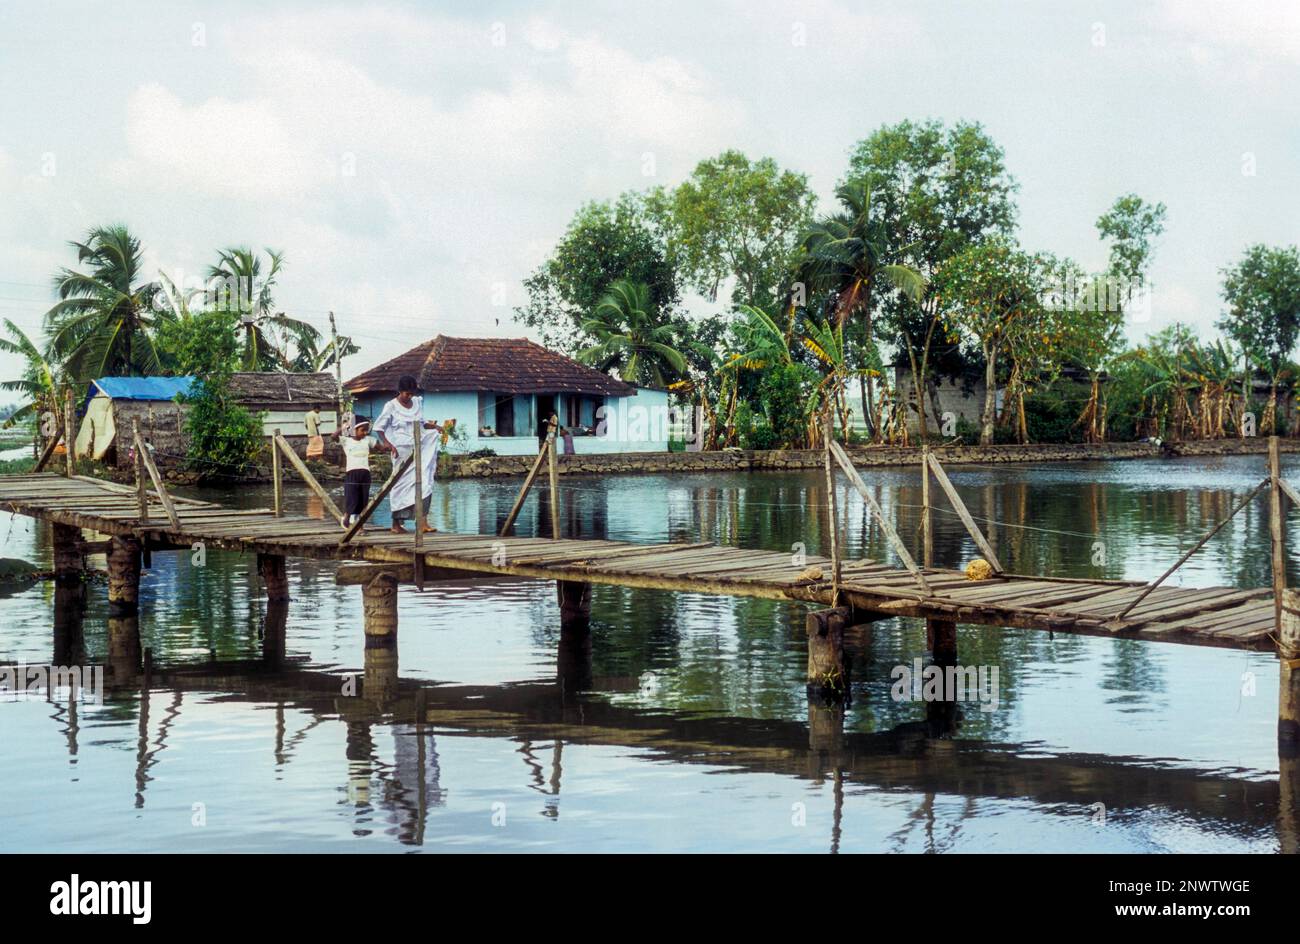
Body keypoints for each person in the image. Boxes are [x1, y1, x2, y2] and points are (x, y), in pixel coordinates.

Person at [372, 375, 443, 534]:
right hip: (401, 449)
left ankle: (423, 522)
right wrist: (388, 444)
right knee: (399, 483)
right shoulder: (391, 406)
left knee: (425, 480)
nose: (409, 396)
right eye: (406, 394)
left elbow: (422, 423)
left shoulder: (417, 402)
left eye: (411, 394)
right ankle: (396, 524)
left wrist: (435, 427)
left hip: (419, 445)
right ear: (400, 391)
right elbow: (379, 427)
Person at [340, 420, 373, 530]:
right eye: (362, 430)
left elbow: (381, 447)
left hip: (365, 473)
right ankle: (347, 516)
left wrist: (390, 447)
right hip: (352, 472)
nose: (364, 433)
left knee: (363, 500)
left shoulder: (367, 440)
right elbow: (333, 436)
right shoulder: (346, 441)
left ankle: (360, 525)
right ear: (354, 430)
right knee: (352, 496)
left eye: (366, 431)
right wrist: (344, 428)